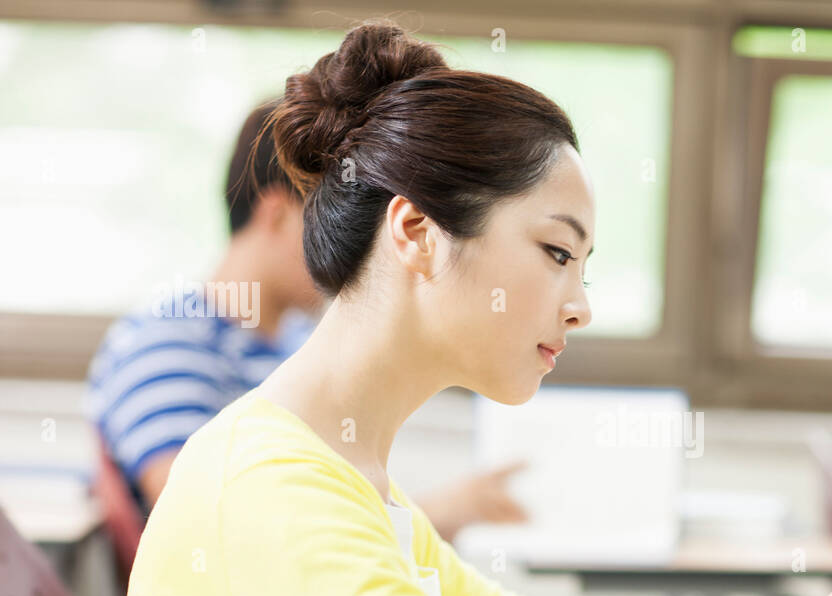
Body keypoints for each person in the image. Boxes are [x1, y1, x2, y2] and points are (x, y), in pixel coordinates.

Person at [63, 18, 832, 596]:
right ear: (414, 233)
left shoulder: (349, 475)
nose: (579, 304)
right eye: (556, 253)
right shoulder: (272, 489)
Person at [83, 99, 526, 542]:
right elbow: (205, 521)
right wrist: (438, 512)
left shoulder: (296, 343)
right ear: (275, 215)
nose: (349, 252)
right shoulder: (168, 343)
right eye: (330, 225)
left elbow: (324, 499)